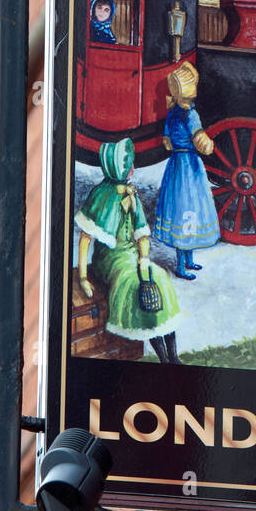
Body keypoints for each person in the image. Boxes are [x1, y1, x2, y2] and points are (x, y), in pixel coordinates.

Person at [75, 136, 182, 363]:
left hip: (132, 255)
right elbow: (85, 239)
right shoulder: (100, 194)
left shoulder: (131, 194)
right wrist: (84, 277)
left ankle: (174, 355)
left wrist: (144, 257)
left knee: (159, 277)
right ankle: (163, 357)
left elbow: (141, 234)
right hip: (110, 259)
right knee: (134, 285)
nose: (132, 168)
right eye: (129, 164)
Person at [153, 60, 221, 277]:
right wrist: (209, 146)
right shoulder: (190, 114)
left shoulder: (172, 112)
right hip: (190, 166)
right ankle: (182, 266)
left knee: (179, 208)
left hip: (176, 164)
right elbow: (201, 140)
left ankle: (188, 260)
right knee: (189, 207)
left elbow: (166, 141)